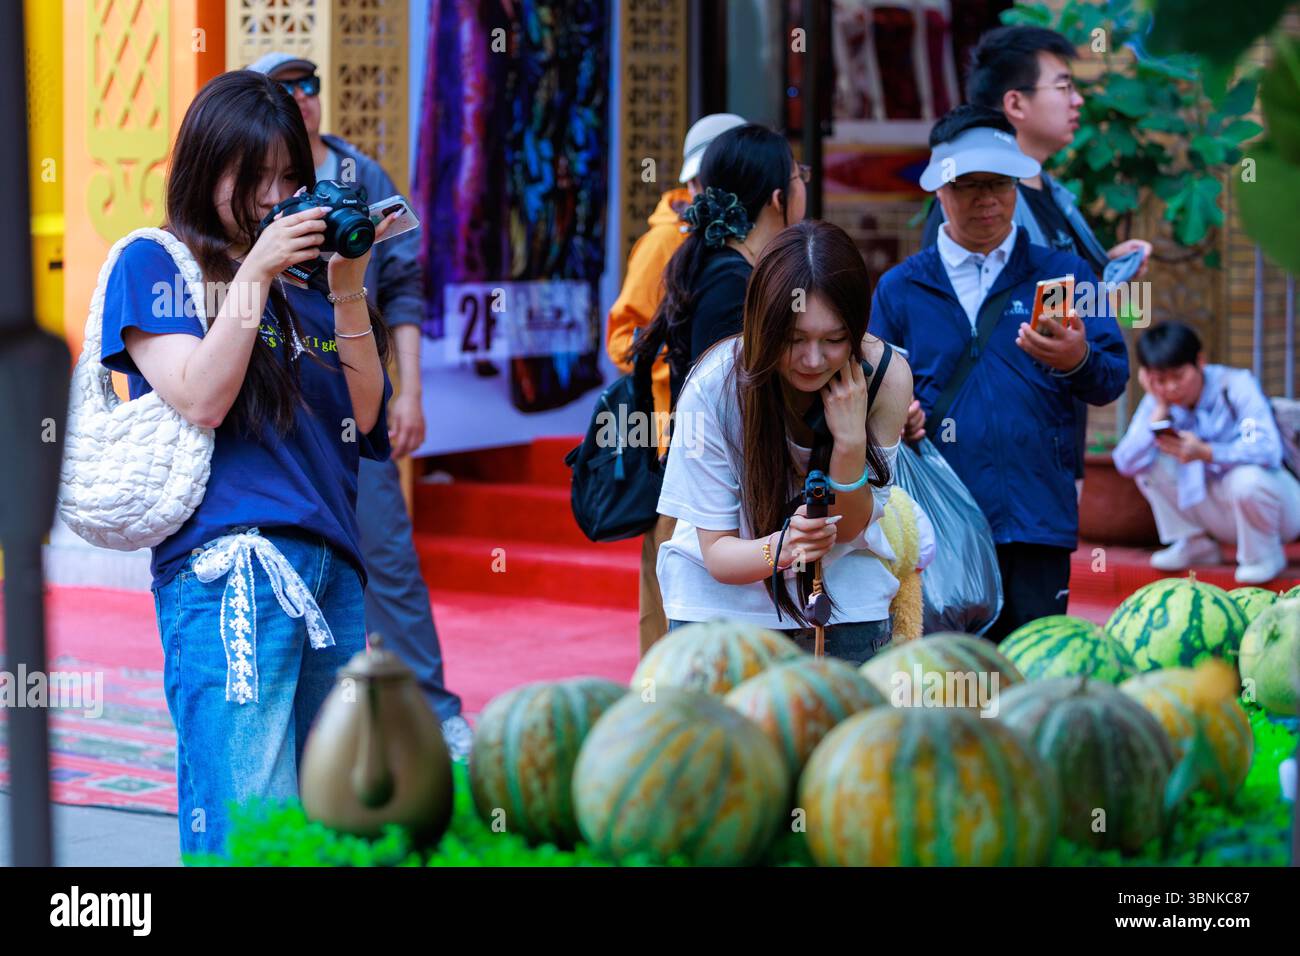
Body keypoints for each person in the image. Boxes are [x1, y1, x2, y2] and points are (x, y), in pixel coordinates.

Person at [98, 71, 399, 857]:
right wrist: (257, 273)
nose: (274, 199)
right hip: (235, 565)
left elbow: (366, 417)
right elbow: (201, 395)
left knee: (330, 818)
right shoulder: (156, 264)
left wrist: (346, 292)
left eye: (288, 179)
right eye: (253, 177)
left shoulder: (305, 279)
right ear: (205, 168)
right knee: (253, 820)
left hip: (333, 565)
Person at [248, 52, 471, 757]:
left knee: (388, 558)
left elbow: (401, 284)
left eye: (310, 86)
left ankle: (434, 711)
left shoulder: (357, 176)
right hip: (274, 402)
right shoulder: (246, 191)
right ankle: (329, 735)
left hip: (355, 394)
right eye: (285, 90)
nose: (303, 98)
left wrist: (410, 392)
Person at [871, 112, 1129, 642]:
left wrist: (1077, 358)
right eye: (970, 186)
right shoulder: (900, 289)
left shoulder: (1063, 274)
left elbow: (1110, 378)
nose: (988, 199)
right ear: (941, 188)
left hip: (1037, 519)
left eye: (1000, 184)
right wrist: (899, 413)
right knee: (952, 685)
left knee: (1035, 674)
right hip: (938, 525)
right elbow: (868, 394)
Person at [656, 221, 914, 664]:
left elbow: (849, 528)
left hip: (842, 608)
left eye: (834, 340)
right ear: (763, 325)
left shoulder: (885, 377)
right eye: (794, 340)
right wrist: (785, 547)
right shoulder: (715, 386)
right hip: (719, 614)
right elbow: (717, 553)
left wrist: (850, 444)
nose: (813, 360)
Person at [921, 26, 1153, 495]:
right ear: (1015, 104)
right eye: (1064, 87)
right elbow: (945, 324)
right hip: (989, 457)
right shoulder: (965, 216)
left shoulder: (1057, 197)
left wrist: (1109, 273)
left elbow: (1083, 316)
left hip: (1054, 440)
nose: (1078, 102)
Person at [604, 112, 745, 657]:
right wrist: (687, 368)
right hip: (672, 442)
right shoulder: (665, 241)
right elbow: (624, 338)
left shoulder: (725, 241)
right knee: (668, 597)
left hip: (709, 444)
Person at [1113, 322, 1300, 584]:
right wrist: (1158, 410)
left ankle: (1263, 554)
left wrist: (1209, 452)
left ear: (1199, 361)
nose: (1170, 388)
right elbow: (1125, 462)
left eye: (1177, 377)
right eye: (1159, 380)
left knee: (1246, 478)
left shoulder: (1235, 386)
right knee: (1149, 464)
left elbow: (1266, 448)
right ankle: (1194, 543)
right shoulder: (1159, 400)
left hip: (1280, 507)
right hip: (1218, 509)